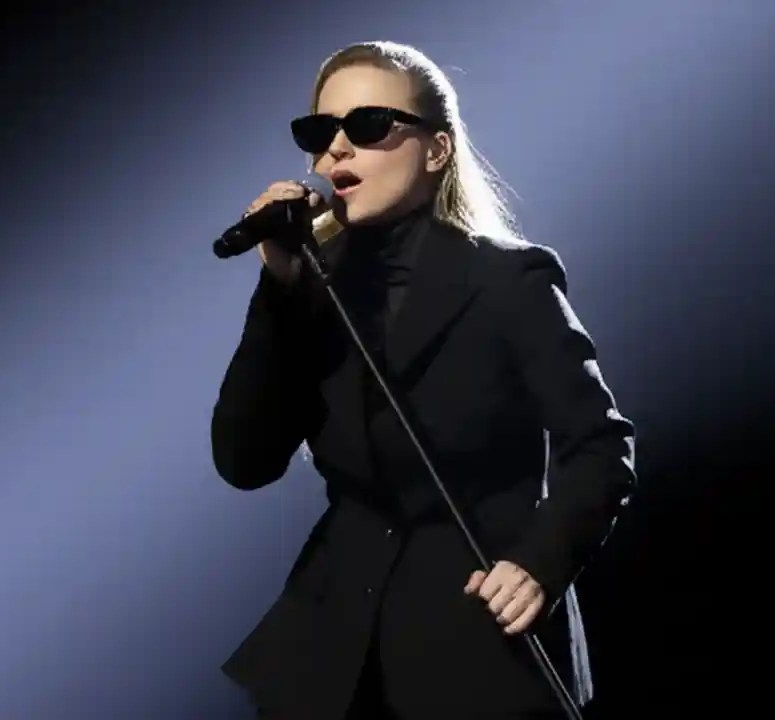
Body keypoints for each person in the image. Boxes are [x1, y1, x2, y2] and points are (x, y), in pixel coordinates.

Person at [210, 40, 636, 719]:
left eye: (368, 125)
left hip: (476, 636)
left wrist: (540, 562)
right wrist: (279, 288)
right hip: (333, 643)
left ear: (436, 150)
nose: (337, 149)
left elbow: (601, 446)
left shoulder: (509, 280)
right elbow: (244, 462)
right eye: (321, 131)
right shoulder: (310, 291)